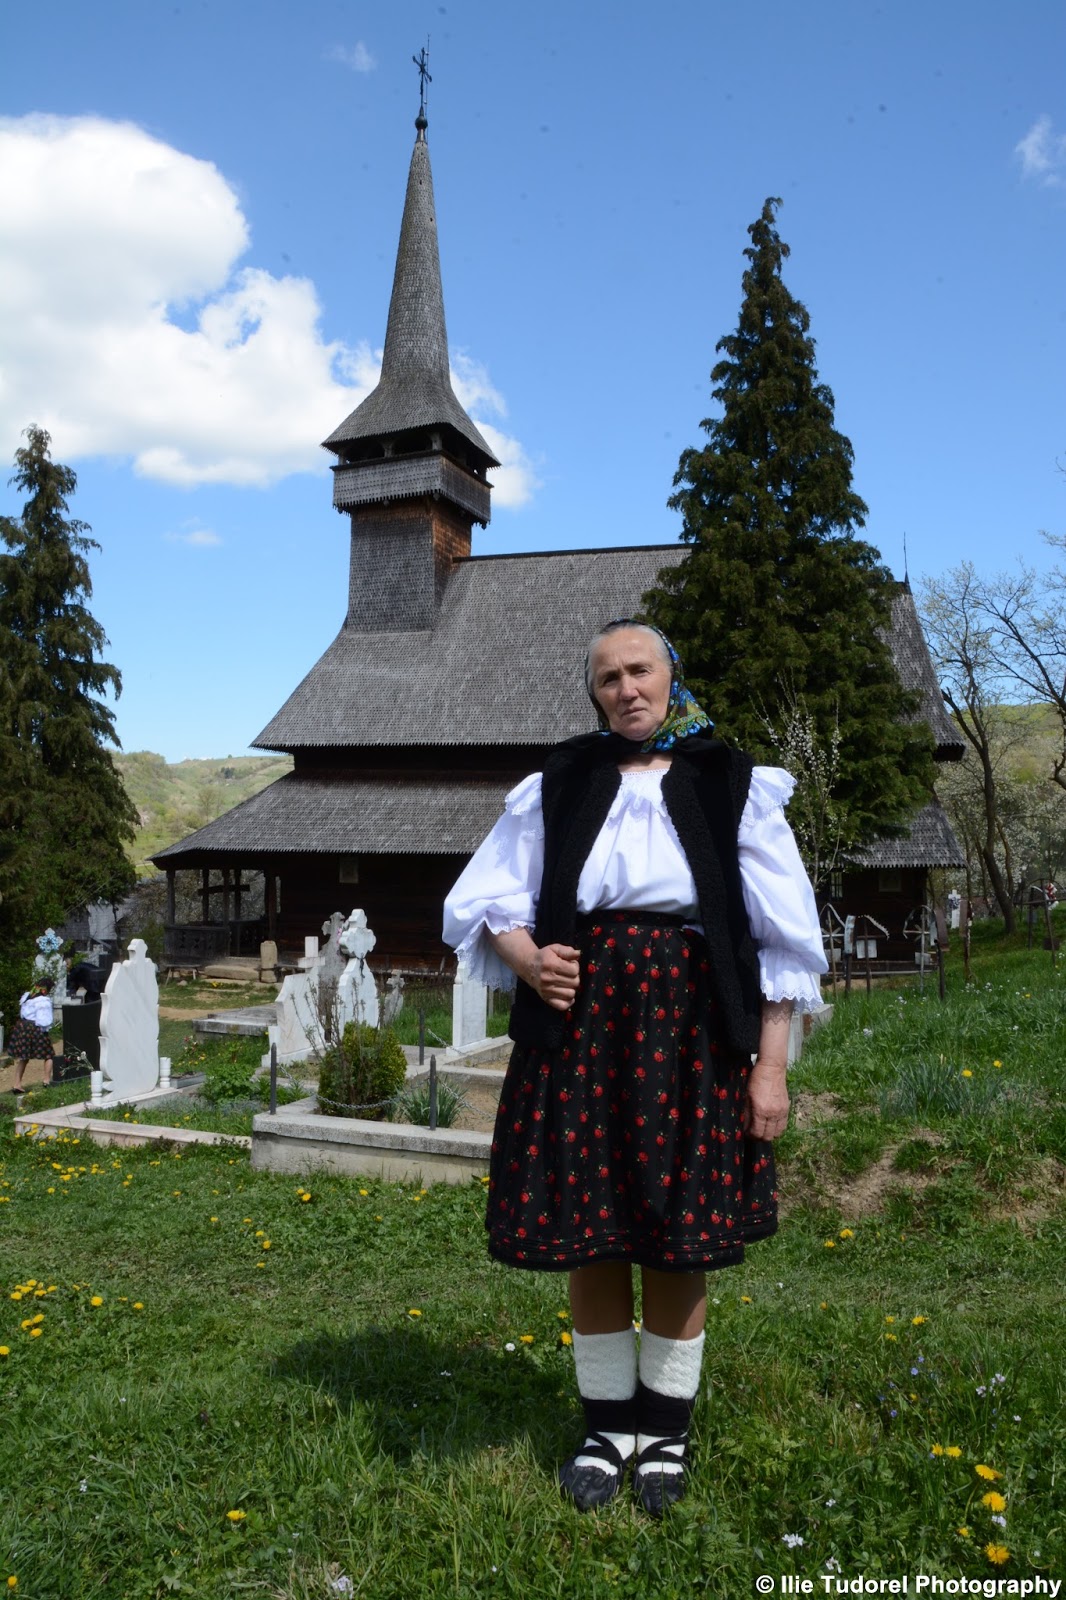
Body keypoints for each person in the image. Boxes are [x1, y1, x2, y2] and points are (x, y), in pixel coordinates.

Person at [443, 619, 827, 1516]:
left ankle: (665, 1433)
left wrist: (769, 1070)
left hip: (690, 1030)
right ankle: (605, 1428)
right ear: (596, 692)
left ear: (670, 678)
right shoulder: (561, 781)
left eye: (640, 670)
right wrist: (530, 956)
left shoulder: (732, 783)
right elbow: (484, 896)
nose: (626, 689)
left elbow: (781, 942)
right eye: (609, 677)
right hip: (578, 1031)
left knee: (676, 1232)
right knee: (594, 1226)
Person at [9, 977, 56, 1093]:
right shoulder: (43, 1001)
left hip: (23, 1027)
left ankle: (17, 1084)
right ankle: (46, 1081)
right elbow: (44, 1019)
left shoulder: (28, 997)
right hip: (35, 1027)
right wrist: (45, 1029)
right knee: (49, 1054)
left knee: (24, 1057)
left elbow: (22, 1014)